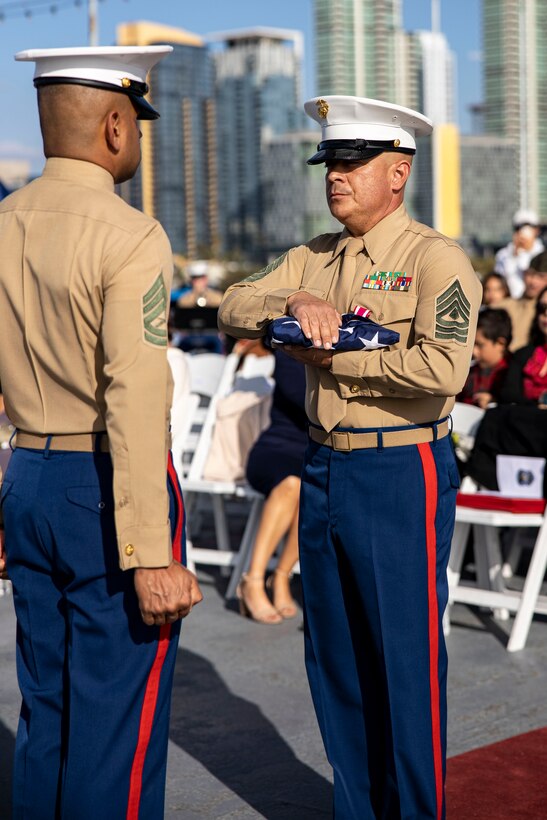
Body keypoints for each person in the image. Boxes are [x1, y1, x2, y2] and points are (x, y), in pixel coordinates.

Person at [219, 95, 481, 819]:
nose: (335, 177)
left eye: (353, 163)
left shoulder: (434, 259)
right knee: (333, 656)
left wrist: (330, 357)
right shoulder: (313, 256)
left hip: (398, 467)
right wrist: (299, 296)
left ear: (396, 173)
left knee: (404, 662)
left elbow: (440, 372)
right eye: (330, 163)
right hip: (323, 465)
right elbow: (233, 305)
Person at [0, 46, 202, 818]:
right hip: (104, 484)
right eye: (138, 123)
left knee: (45, 708)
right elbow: (134, 394)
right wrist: (150, 553)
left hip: (27, 476)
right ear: (117, 126)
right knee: (116, 723)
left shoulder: (4, 220)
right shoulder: (129, 234)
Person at [238, 350, 307, 624]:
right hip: (275, 449)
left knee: (316, 488)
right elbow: (307, 399)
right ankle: (252, 581)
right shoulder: (293, 344)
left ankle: (281, 576)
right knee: (292, 483)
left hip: (313, 455)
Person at [498, 285, 547, 407]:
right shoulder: (523, 354)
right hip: (526, 421)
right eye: (542, 308)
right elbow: (508, 394)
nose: (546, 313)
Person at [456, 308, 512, 408]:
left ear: (501, 343)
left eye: (480, 345)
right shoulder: (470, 371)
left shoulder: (512, 373)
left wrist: (492, 401)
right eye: (472, 344)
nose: (474, 351)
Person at [498, 250, 547, 351]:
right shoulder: (503, 306)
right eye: (530, 274)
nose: (533, 281)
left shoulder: (543, 314)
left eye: (541, 277)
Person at [494, 209, 544, 298]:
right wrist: (514, 255)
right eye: (519, 227)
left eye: (530, 227)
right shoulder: (503, 255)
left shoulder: (543, 253)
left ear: (537, 230)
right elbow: (499, 280)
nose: (524, 231)